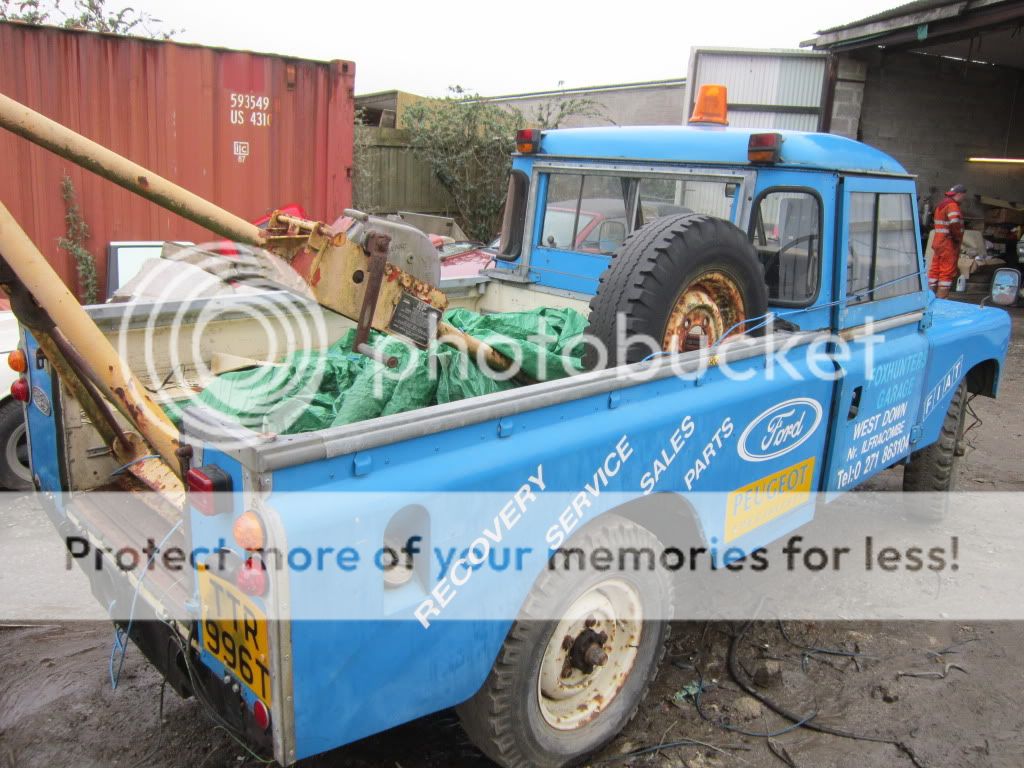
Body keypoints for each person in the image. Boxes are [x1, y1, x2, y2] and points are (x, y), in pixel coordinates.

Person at [928, 184, 967, 298]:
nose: (963, 199)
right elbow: (954, 223)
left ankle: (930, 297)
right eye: (963, 197)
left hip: (938, 241)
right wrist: (957, 237)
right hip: (948, 242)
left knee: (935, 270)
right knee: (946, 271)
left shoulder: (941, 204)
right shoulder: (953, 206)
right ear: (959, 194)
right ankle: (942, 299)